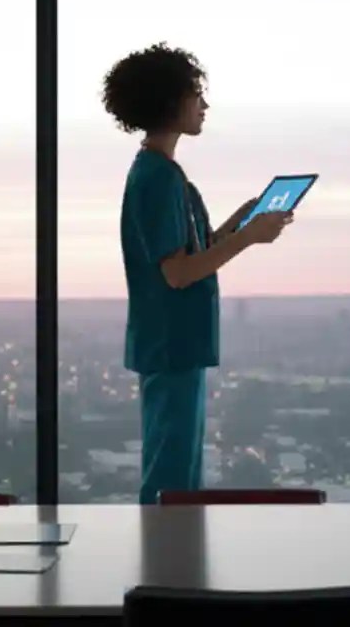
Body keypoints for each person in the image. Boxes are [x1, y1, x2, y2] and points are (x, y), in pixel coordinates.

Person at [103, 42, 293, 504]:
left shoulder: (162, 174)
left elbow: (194, 249)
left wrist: (240, 224)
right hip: (172, 344)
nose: (204, 105)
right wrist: (248, 238)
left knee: (179, 470)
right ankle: (166, 566)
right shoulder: (158, 178)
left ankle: (173, 563)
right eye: (196, 94)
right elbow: (179, 273)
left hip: (175, 344)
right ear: (170, 101)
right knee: (172, 477)